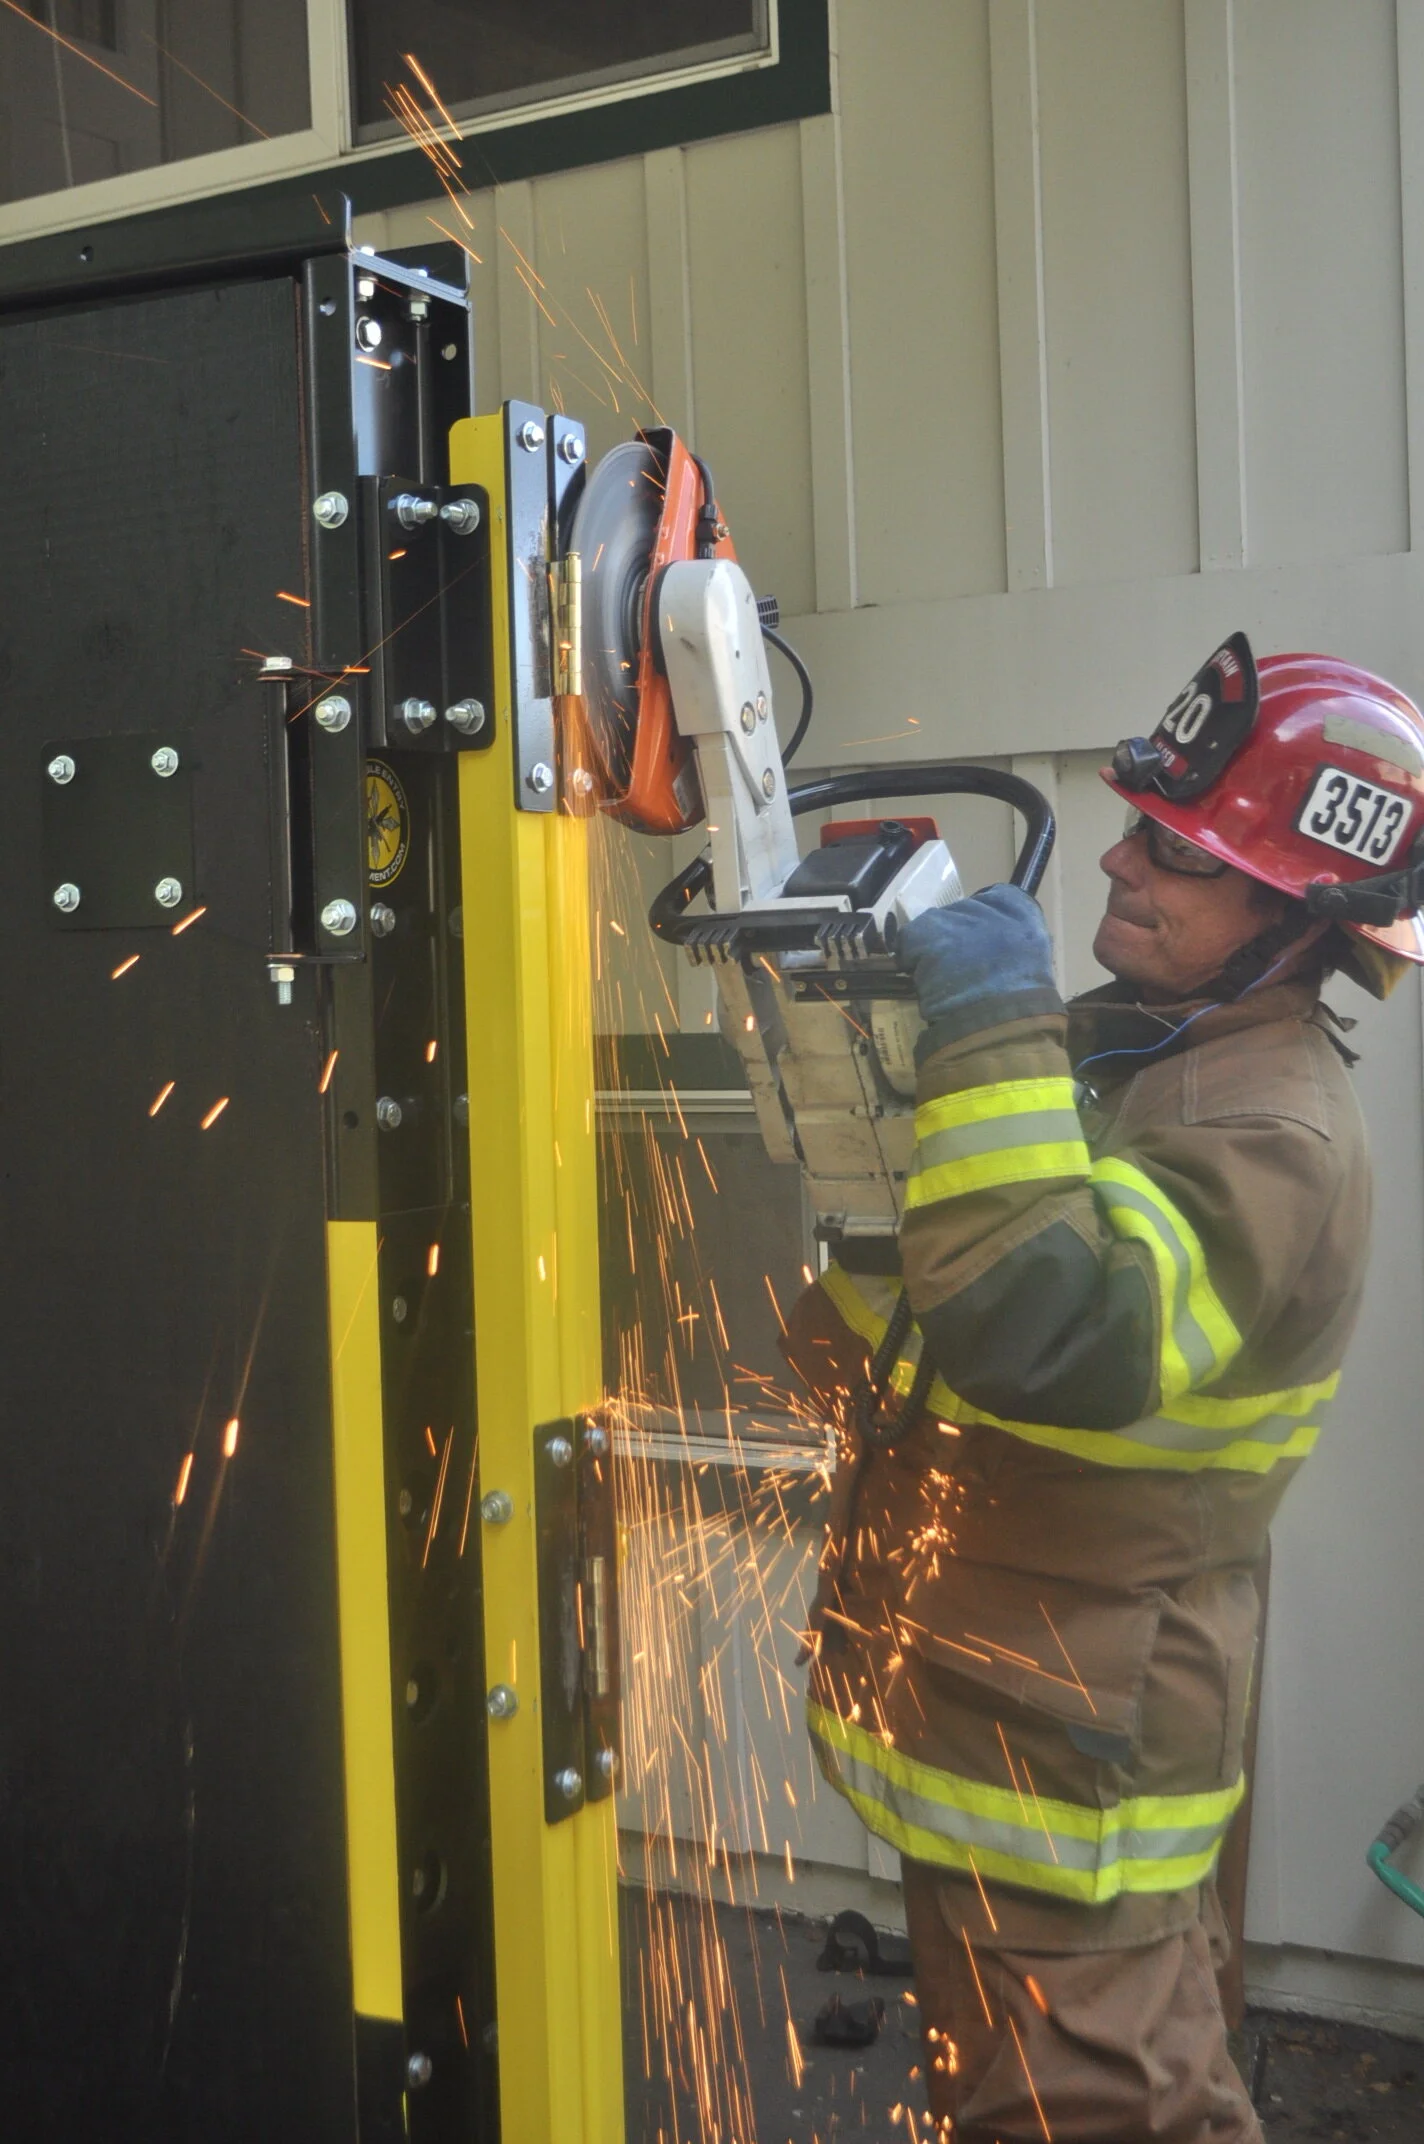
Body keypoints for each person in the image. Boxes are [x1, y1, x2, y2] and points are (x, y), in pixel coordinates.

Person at [782, 637, 1424, 2142]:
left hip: (1068, 1772)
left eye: (1183, 852)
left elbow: (1049, 1328)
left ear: (1292, 913)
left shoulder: (1266, 1129)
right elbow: (941, 1307)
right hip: (1015, 1723)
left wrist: (990, 1033)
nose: (1123, 861)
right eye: (1142, 824)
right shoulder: (1141, 1058)